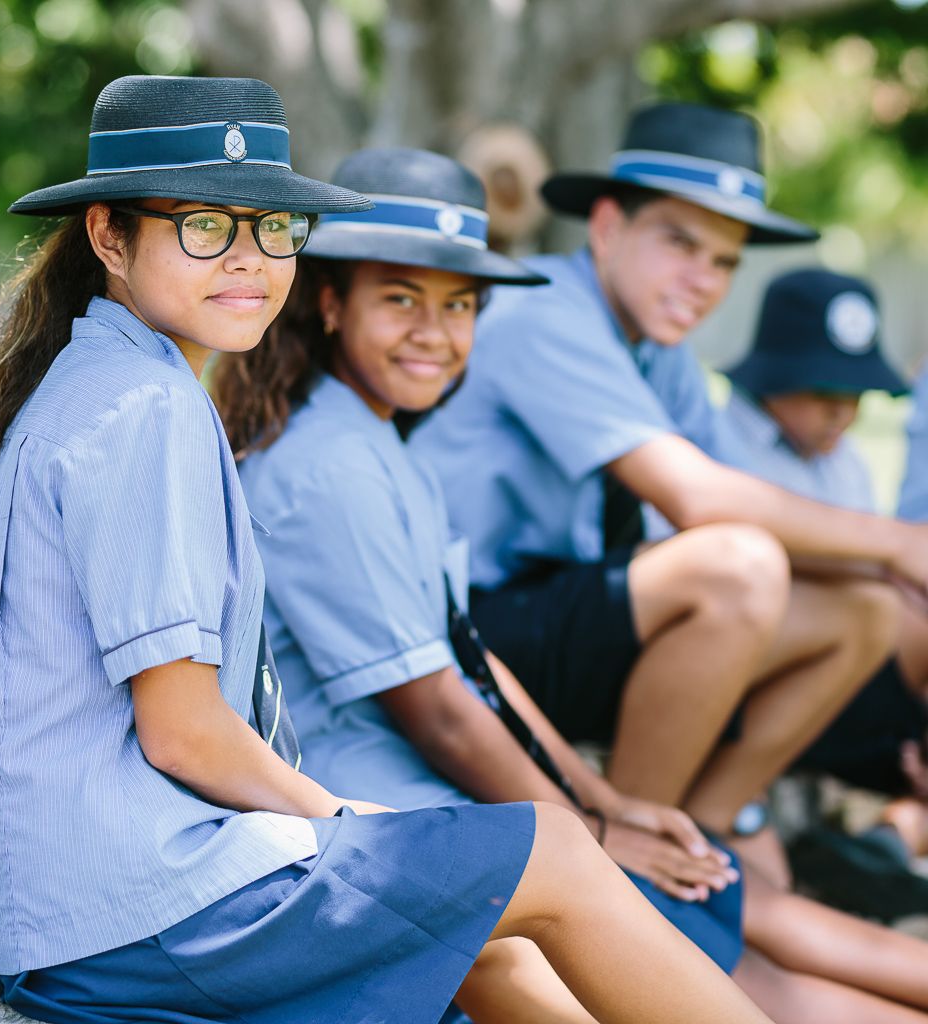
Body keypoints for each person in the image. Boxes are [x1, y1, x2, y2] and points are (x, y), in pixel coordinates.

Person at [0, 75, 775, 1024]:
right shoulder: (144, 407)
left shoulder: (114, 375)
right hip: (137, 914)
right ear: (109, 236)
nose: (247, 260)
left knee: (492, 944)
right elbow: (183, 731)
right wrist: (346, 818)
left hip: (80, 920)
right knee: (554, 851)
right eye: (204, 225)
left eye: (273, 228)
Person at [217, 146, 928, 1024]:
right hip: (398, 820)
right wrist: (593, 837)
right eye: (400, 298)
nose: (434, 333)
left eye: (461, 306)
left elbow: (464, 654)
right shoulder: (328, 464)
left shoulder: (377, 440)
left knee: (753, 949)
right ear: (329, 302)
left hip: (468, 792)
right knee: (750, 984)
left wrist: (606, 800)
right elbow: (438, 704)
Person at [410, 102, 928, 875]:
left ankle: (708, 829)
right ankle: (622, 866)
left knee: (867, 611)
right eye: (680, 243)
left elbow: (754, 509)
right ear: (609, 228)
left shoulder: (663, 354)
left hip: (567, 613)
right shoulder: (542, 310)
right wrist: (900, 542)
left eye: (724, 261)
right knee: (738, 567)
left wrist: (895, 578)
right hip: (469, 630)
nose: (703, 281)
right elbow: (703, 505)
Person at [716, 267, 928, 915]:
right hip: (769, 675)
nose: (845, 410)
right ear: (774, 375)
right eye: (825, 389)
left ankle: (890, 838)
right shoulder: (723, 448)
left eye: (858, 392)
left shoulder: (845, 461)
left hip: (858, 682)